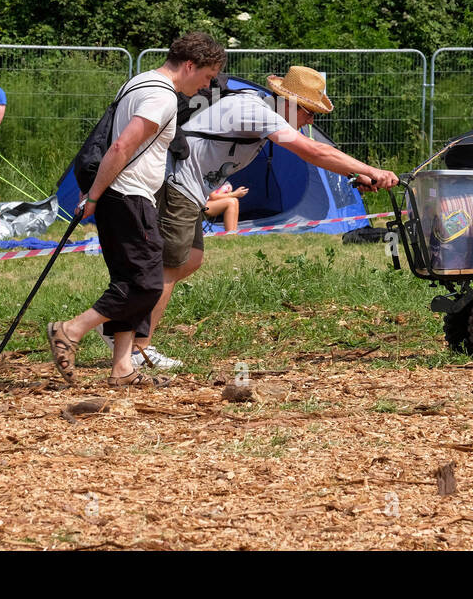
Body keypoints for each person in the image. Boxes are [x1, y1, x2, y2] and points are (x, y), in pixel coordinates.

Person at [125, 65, 400, 370]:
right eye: (309, 111)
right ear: (288, 102)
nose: (311, 119)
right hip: (176, 183)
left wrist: (354, 173)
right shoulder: (255, 109)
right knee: (169, 267)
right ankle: (137, 349)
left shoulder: (260, 106)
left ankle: (116, 321)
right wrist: (370, 170)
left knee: (190, 259)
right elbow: (311, 151)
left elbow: (314, 151)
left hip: (189, 188)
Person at [45, 33, 226, 387]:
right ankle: (70, 329)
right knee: (147, 284)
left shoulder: (139, 82)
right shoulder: (162, 97)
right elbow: (120, 147)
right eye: (206, 77)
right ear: (189, 65)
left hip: (119, 196)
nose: (207, 85)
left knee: (128, 280)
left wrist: (96, 195)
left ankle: (123, 368)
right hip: (128, 196)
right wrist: (93, 197)